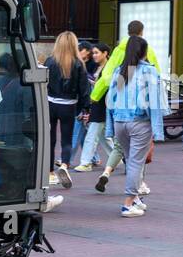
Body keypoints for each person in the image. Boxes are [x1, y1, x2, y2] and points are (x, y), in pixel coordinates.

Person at [107, 35, 163, 218]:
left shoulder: (119, 71)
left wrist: (110, 126)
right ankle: (128, 203)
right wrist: (158, 129)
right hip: (139, 122)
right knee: (136, 163)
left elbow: (111, 101)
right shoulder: (149, 71)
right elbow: (154, 102)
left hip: (119, 122)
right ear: (144, 52)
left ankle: (136, 198)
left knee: (131, 159)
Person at [44, 31, 88, 188]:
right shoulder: (78, 63)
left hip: (49, 103)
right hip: (69, 105)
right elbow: (84, 89)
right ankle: (64, 165)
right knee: (67, 139)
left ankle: (49, 173)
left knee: (49, 138)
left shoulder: (50, 61)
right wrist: (85, 108)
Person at [75, 42, 110, 170]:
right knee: (103, 137)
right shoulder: (96, 67)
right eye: (93, 53)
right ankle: (118, 157)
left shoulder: (110, 68)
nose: (94, 55)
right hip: (96, 104)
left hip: (102, 105)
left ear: (105, 53)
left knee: (92, 134)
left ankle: (86, 162)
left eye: (96, 53)